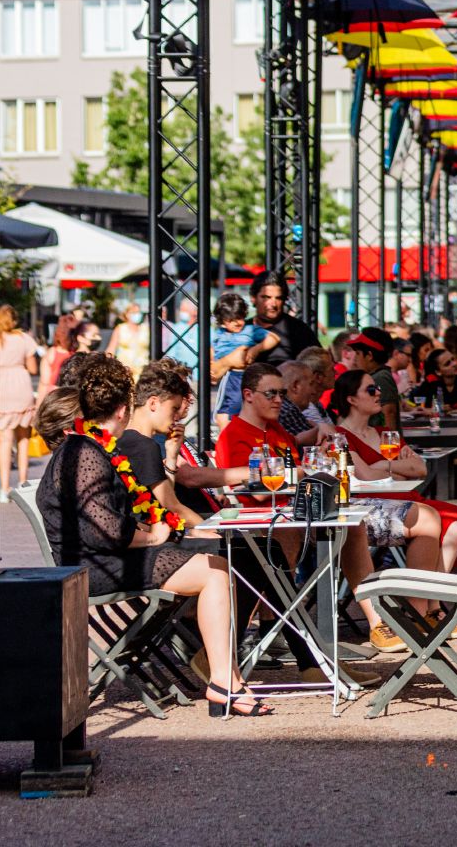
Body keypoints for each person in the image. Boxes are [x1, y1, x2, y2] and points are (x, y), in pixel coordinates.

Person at [34, 353, 267, 716]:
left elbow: (103, 519)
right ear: (123, 408)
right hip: (93, 569)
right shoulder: (85, 450)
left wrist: (148, 529)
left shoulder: (90, 447)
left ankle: (226, 678)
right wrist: (154, 536)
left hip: (102, 560)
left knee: (216, 565)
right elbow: (106, 529)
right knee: (214, 570)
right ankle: (224, 682)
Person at [117, 359, 326, 681]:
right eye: (176, 407)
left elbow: (163, 498)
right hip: (154, 546)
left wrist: (171, 455)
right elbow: (169, 505)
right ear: (154, 403)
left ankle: (301, 659)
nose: (181, 413)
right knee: (259, 554)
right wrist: (210, 528)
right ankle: (308, 660)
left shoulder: (140, 444)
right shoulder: (142, 446)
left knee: (259, 554)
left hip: (160, 537)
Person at [327, 369, 457, 633]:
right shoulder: (339, 436)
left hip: (411, 498)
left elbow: (420, 468)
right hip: (381, 506)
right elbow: (363, 475)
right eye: (370, 389)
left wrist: (381, 464)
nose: (379, 393)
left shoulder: (383, 432)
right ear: (351, 399)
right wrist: (395, 466)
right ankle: (429, 609)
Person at [210, 293, 279, 429]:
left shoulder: (250, 330)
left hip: (246, 375)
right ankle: (227, 439)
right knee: (224, 414)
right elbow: (211, 349)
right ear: (222, 321)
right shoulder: (218, 333)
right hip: (229, 376)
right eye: (230, 320)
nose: (236, 323)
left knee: (240, 411)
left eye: (240, 318)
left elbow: (273, 338)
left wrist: (256, 349)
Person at [0, 305, 40, 492]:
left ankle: (4, 488)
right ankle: (23, 483)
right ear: (14, 320)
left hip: (2, 387)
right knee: (23, 439)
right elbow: (33, 369)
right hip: (21, 386)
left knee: (4, 440)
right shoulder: (24, 339)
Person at [250, 276, 319, 366]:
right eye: (266, 297)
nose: (273, 304)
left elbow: (318, 363)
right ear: (253, 298)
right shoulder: (240, 328)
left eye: (278, 298)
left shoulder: (298, 329)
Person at [111, 302, 152, 374]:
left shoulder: (146, 329)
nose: (137, 315)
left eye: (138, 312)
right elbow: (111, 349)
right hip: (124, 370)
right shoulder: (120, 328)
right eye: (134, 312)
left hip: (143, 370)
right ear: (127, 314)